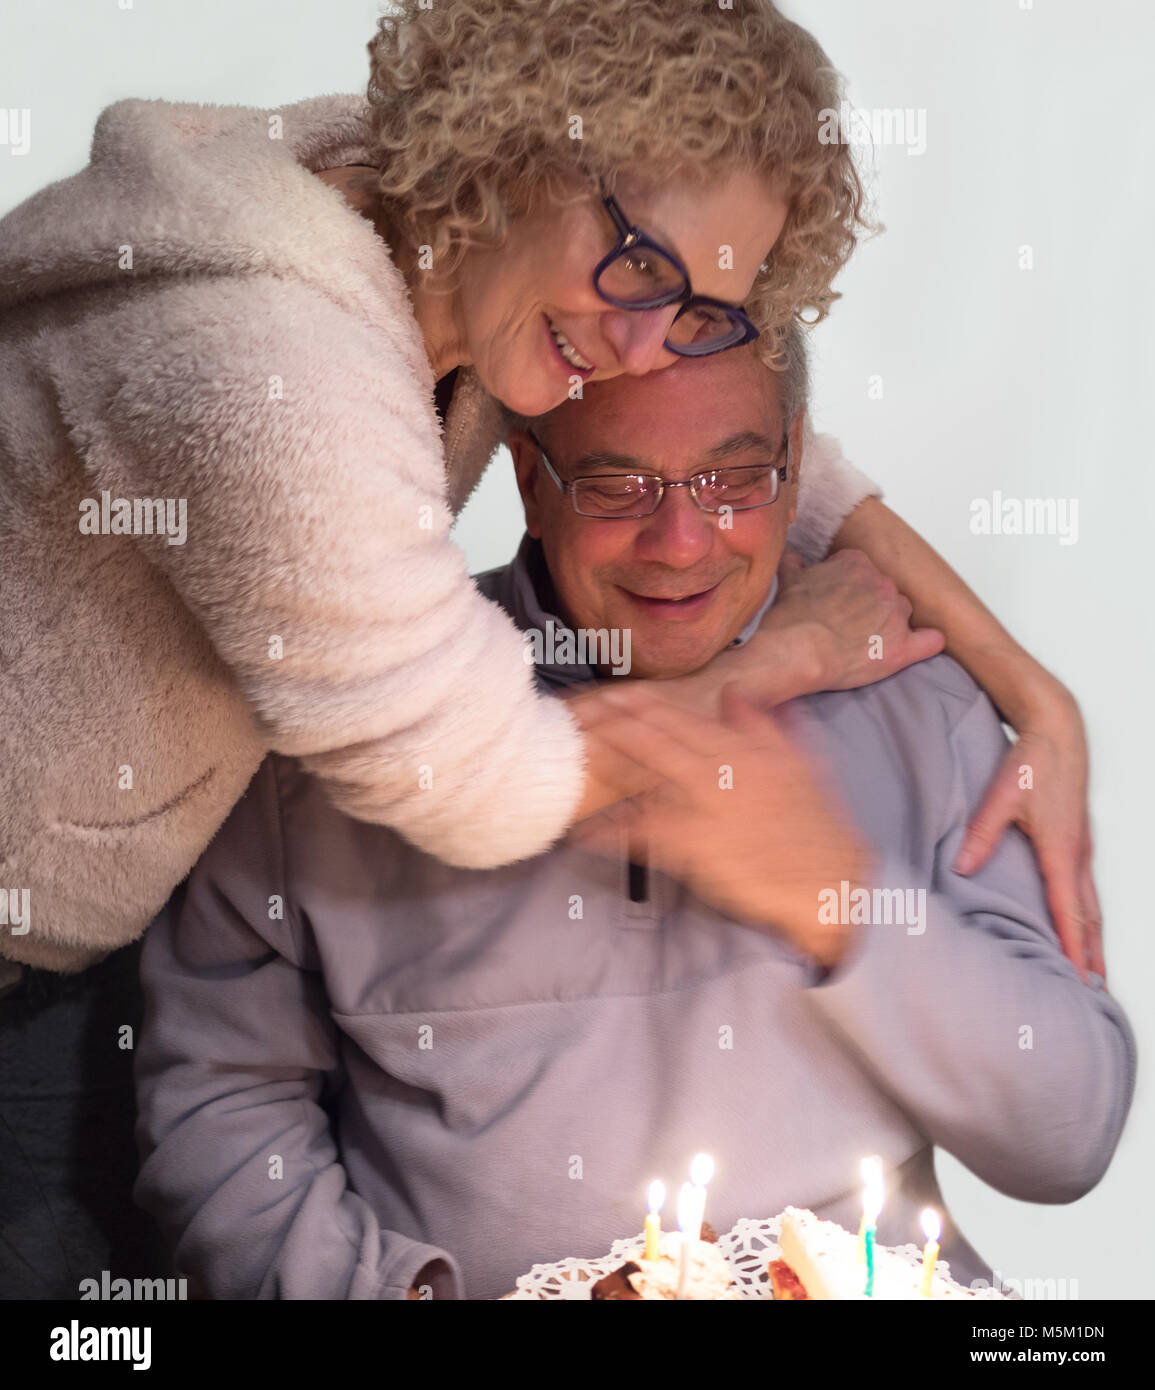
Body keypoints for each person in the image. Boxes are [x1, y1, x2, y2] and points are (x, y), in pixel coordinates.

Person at [0, 0, 1098, 983]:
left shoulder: (453, 236)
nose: (641, 347)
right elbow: (476, 778)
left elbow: (777, 462)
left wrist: (1035, 696)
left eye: (698, 309)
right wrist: (785, 661)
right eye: (642, 266)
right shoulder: (275, 362)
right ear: (515, 153)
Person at [132, 330, 1134, 1300]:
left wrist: (839, 898)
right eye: (618, 486)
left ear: (795, 460)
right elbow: (223, 1101)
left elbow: (1068, 1133)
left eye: (733, 479)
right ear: (528, 476)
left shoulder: (924, 702)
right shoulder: (352, 738)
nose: (682, 540)